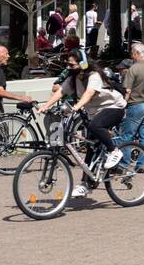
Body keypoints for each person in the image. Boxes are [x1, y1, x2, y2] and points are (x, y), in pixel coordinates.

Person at [39, 58, 125, 198]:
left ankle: (114, 151)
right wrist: (46, 106)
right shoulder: (72, 78)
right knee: (91, 147)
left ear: (82, 64)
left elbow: (89, 93)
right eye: (68, 64)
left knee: (95, 126)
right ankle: (86, 184)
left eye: (72, 64)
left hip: (114, 107)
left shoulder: (94, 76)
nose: (68, 66)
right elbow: (60, 92)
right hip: (94, 113)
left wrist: (76, 107)